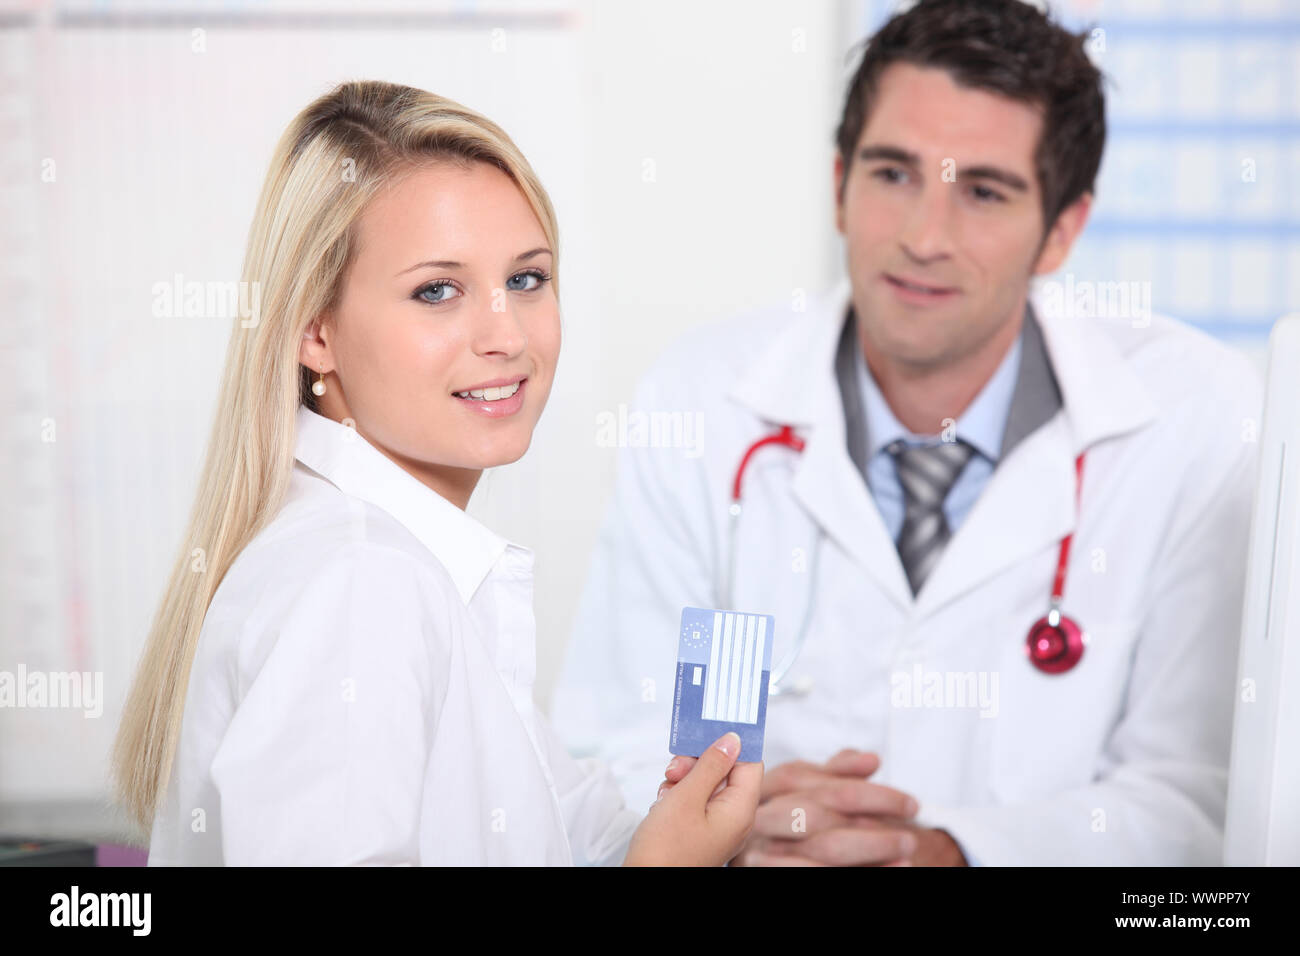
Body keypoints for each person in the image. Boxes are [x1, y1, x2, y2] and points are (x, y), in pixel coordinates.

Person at [552, 0, 1262, 866]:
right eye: (893, 174)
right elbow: (600, 754)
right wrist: (741, 825)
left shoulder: (1196, 419)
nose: (924, 237)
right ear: (839, 184)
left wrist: (943, 852)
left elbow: (1198, 802)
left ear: (1062, 231)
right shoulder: (704, 403)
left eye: (985, 192)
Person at [111, 80, 760, 866]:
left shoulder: (401, 564)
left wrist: (676, 837)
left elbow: (566, 834)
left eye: (526, 279)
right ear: (315, 332)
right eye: (437, 291)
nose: (506, 335)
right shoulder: (360, 582)